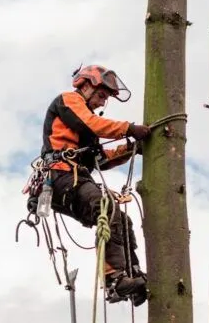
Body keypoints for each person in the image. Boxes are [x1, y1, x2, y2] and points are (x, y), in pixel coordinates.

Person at [39, 64, 151, 307]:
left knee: (120, 220)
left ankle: (130, 275)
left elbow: (99, 159)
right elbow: (91, 123)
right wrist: (128, 129)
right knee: (105, 207)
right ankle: (113, 279)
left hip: (74, 179)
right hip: (60, 176)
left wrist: (130, 149)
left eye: (105, 99)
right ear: (86, 85)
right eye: (101, 95)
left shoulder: (87, 132)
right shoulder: (68, 101)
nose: (102, 102)